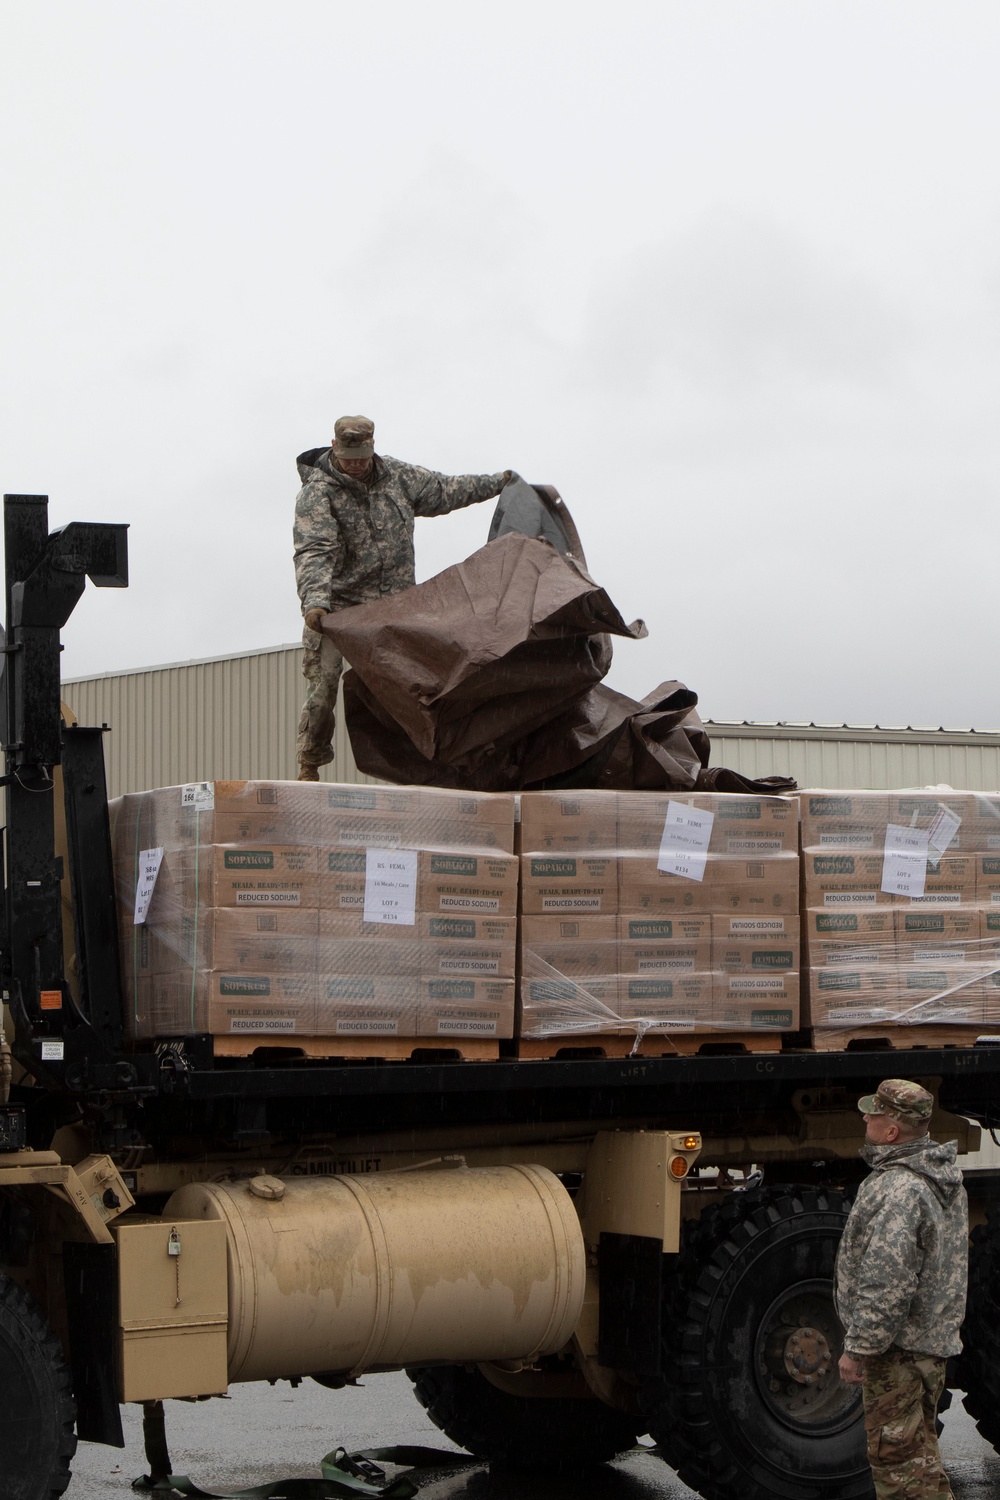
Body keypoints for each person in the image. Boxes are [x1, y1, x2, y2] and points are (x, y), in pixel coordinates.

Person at [292, 416, 512, 781]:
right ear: (334, 447)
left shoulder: (398, 477)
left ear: (372, 447)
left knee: (411, 688)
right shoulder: (318, 493)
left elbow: (445, 490)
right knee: (323, 686)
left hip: (392, 607)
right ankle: (310, 763)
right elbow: (315, 549)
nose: (356, 465)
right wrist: (315, 602)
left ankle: (423, 766)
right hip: (337, 608)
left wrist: (498, 483)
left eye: (362, 457)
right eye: (349, 458)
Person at [835, 1077, 968, 1500]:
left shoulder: (898, 1188)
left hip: (898, 1352)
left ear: (891, 1131)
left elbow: (887, 1280)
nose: (865, 1117)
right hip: (925, 1347)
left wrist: (859, 1348)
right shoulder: (940, 1176)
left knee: (901, 1470)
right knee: (918, 1460)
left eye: (873, 1113)